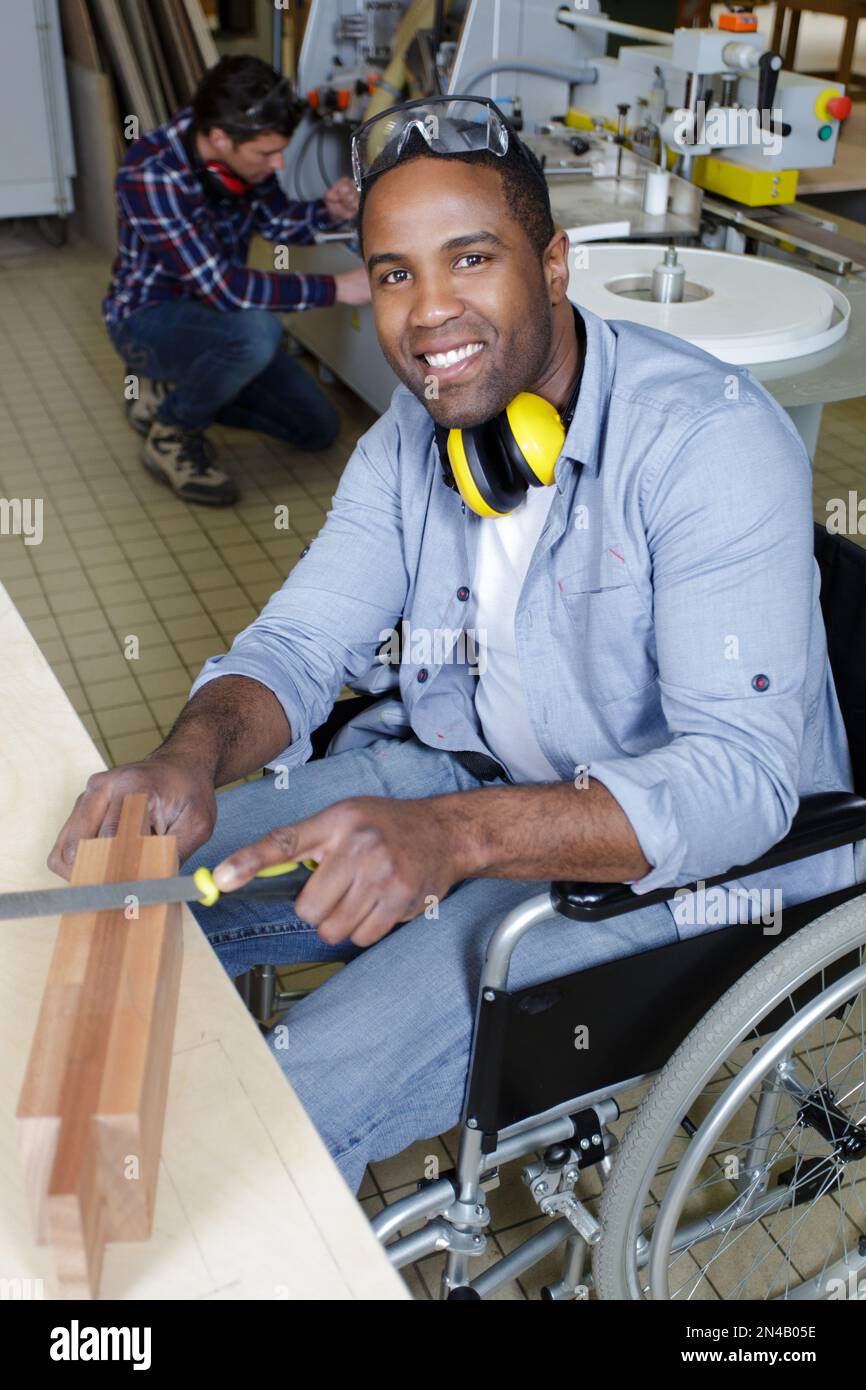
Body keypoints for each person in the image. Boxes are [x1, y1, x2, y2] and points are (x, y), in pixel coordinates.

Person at [55, 97, 857, 1198]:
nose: (428, 315)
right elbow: (299, 637)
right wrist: (190, 754)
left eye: (469, 258)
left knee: (262, 1128)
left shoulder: (706, 442)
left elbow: (739, 785)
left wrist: (448, 837)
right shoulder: (415, 432)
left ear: (555, 263)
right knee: (116, 888)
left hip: (679, 873)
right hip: (462, 766)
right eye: (392, 273)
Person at [102, 55, 371, 506]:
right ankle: (172, 431)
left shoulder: (243, 155)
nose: (278, 163)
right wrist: (338, 288)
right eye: (267, 154)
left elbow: (279, 222)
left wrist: (327, 210)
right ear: (221, 139)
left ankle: (187, 381)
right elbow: (224, 287)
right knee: (257, 331)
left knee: (316, 429)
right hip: (146, 320)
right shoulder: (150, 173)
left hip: (218, 320)